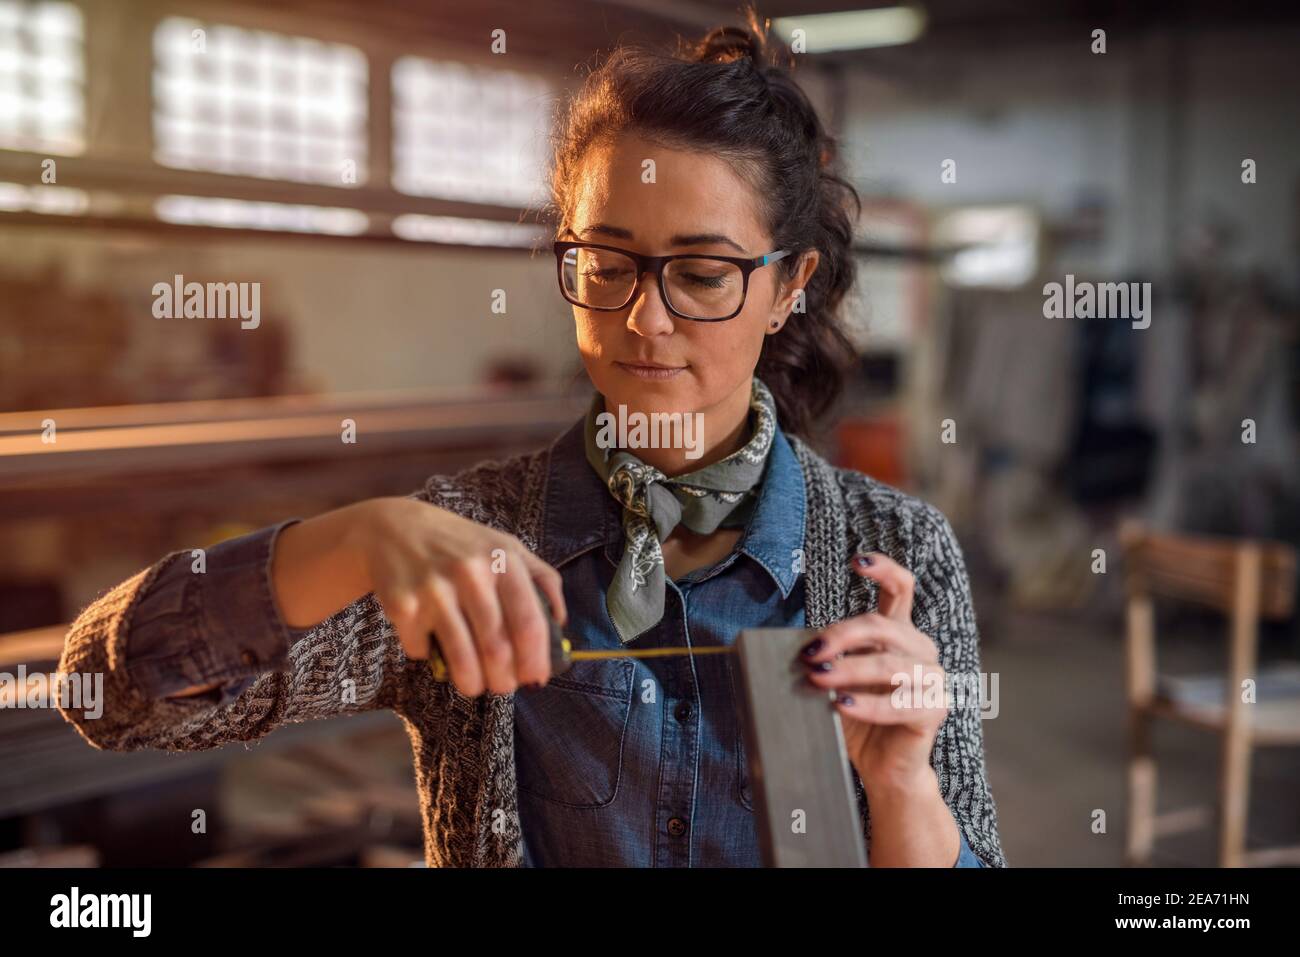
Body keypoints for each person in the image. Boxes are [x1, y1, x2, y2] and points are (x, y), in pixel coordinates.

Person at [57, 14, 1005, 868]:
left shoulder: (893, 551)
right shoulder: (469, 548)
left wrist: (901, 786)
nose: (646, 318)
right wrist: (358, 538)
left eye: (704, 273)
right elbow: (109, 691)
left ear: (788, 284)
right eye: (607, 261)